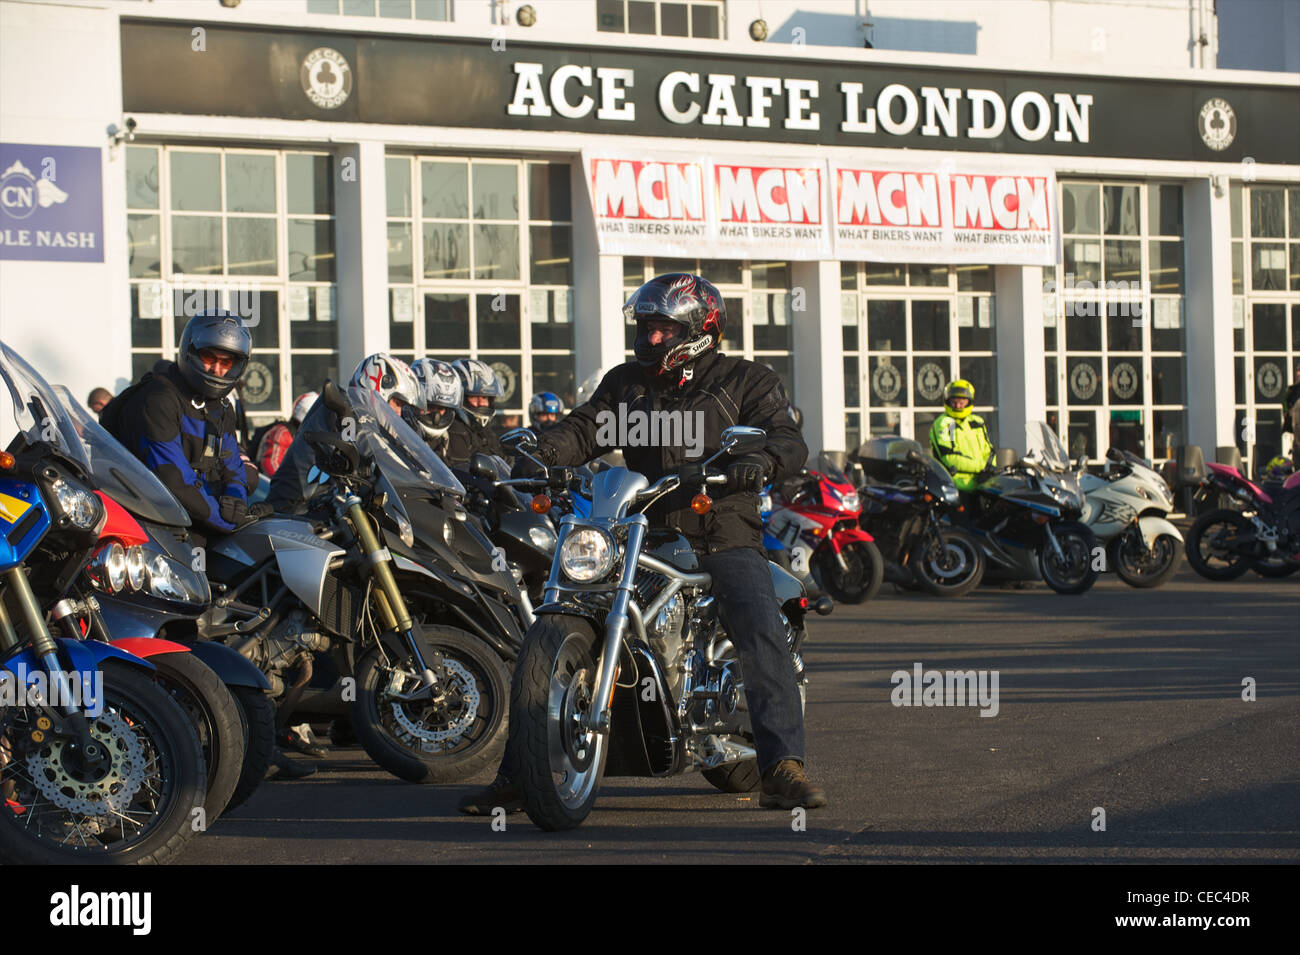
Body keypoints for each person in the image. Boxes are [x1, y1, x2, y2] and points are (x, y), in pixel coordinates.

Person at [460, 272, 825, 814]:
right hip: (638, 527)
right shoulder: (627, 384)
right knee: (557, 618)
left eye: (663, 328)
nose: (651, 338)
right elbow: (585, 430)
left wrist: (760, 461)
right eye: (646, 326)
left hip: (720, 528)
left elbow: (786, 438)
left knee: (756, 627)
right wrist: (538, 451)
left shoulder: (745, 381)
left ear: (700, 330)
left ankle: (780, 768)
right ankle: (523, 771)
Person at [100, 310, 267, 539]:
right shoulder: (158, 400)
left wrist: (237, 500)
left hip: (194, 518)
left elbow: (232, 463)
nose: (217, 370)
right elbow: (172, 477)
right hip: (151, 522)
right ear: (192, 352)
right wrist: (226, 521)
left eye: (226, 362)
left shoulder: (221, 407)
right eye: (210, 358)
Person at [266, 353, 420, 515]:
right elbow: (370, 448)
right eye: (397, 403)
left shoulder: (364, 421)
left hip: (326, 513)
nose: (399, 412)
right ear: (378, 388)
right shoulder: (341, 410)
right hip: (294, 513)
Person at [928, 379, 993, 493]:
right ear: (947, 401)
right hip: (956, 487)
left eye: (962, 402)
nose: (958, 406)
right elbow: (949, 458)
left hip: (982, 484)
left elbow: (989, 450)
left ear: (969, 401)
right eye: (954, 402)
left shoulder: (977, 422)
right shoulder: (945, 423)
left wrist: (991, 469)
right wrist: (982, 467)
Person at [444, 359, 506, 467]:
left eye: (484, 397)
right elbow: (461, 470)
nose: (481, 403)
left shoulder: (487, 433)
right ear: (459, 396)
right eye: (473, 397)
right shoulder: (453, 430)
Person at [255, 391, 318, 477]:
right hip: (275, 487)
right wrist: (289, 485)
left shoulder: (309, 437)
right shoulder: (282, 433)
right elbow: (271, 465)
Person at [408, 358, 463, 457]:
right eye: (429, 407)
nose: (436, 416)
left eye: (440, 409)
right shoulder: (398, 436)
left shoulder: (457, 440)